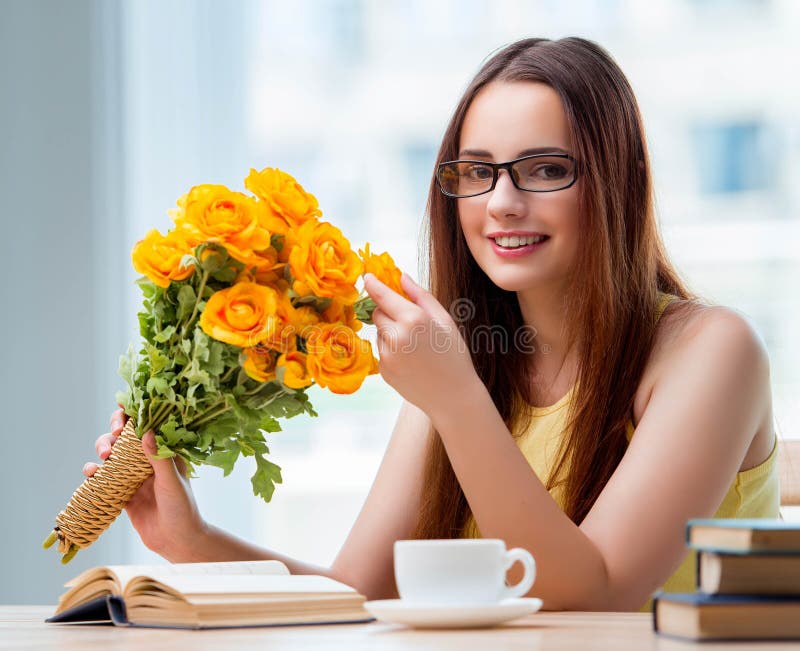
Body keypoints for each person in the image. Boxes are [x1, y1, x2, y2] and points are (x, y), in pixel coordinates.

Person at [83, 36, 778, 612]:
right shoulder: (467, 361)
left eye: (544, 169)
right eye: (477, 172)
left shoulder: (711, 351)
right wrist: (194, 540)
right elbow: (355, 595)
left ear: (621, 180)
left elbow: (596, 602)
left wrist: (452, 395)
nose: (501, 202)